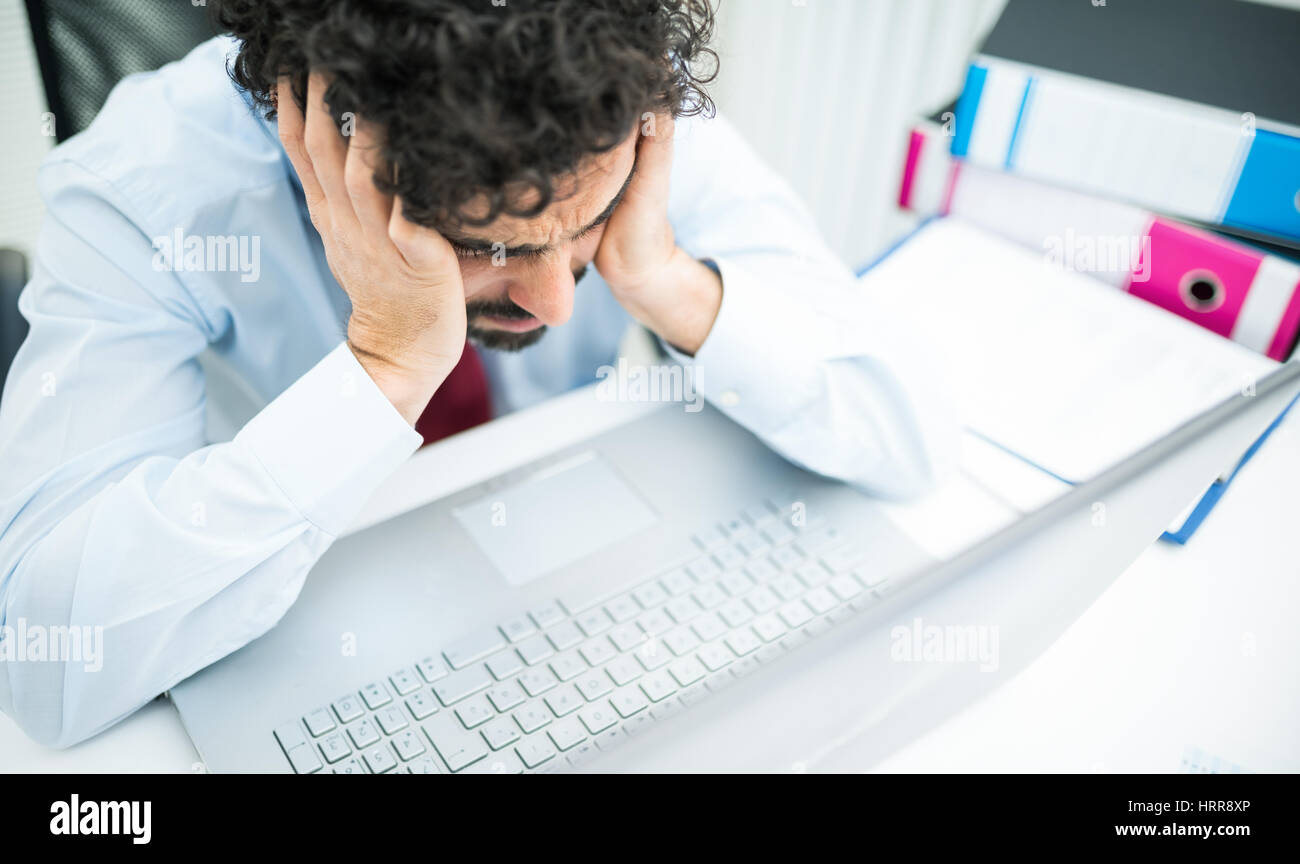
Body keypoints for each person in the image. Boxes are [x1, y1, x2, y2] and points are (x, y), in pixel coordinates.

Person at [0, 0, 955, 748]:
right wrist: (386, 363)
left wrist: (667, 280)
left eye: (584, 221)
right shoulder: (141, 185)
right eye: (479, 243)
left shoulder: (609, 106)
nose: (555, 304)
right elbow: (50, 671)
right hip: (311, 608)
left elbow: (907, 436)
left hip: (571, 595)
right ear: (327, 147)